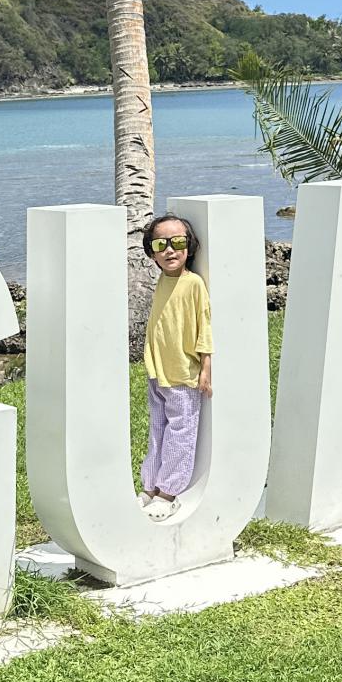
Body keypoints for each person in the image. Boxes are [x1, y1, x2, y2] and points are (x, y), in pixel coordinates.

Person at [140, 214, 213, 520]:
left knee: (180, 434)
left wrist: (206, 367)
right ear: (152, 252)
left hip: (183, 374)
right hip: (159, 373)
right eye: (161, 244)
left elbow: (203, 325)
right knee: (157, 431)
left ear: (190, 246)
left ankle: (169, 491)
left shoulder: (193, 283)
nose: (170, 250)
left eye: (178, 242)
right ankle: (149, 487)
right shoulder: (162, 281)